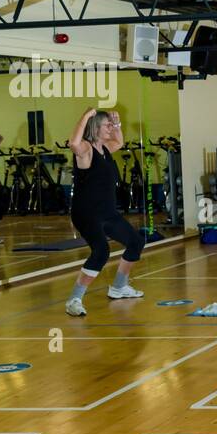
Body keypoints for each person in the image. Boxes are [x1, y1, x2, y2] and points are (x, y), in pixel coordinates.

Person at [64, 108, 145, 317]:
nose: (111, 128)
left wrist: (117, 123)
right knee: (101, 252)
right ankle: (74, 299)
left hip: (107, 212)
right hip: (87, 213)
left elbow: (119, 142)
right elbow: (74, 143)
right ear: (95, 128)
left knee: (136, 241)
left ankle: (119, 287)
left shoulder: (106, 149)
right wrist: (84, 117)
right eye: (107, 125)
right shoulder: (86, 150)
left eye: (111, 125)